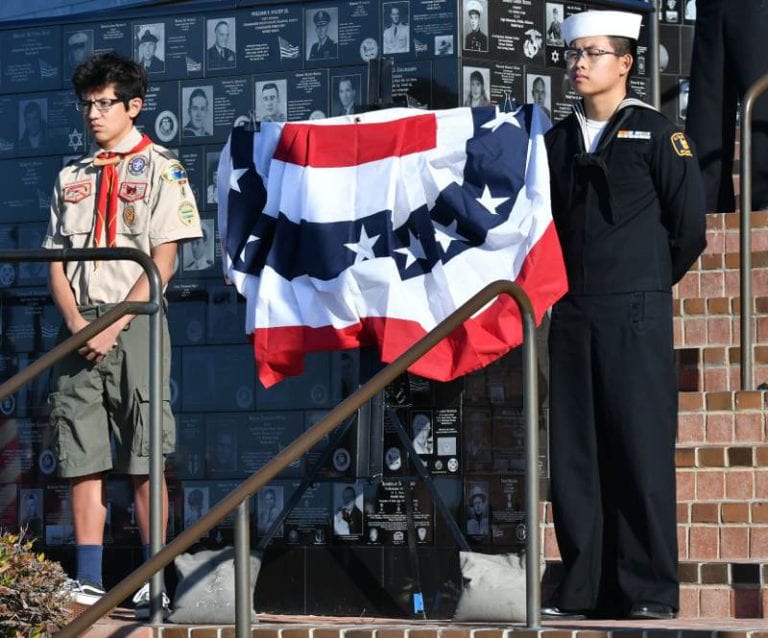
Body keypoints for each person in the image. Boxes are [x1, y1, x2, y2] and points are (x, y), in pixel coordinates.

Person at [543, 11, 706, 621]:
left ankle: (649, 592)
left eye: (593, 53)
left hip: (636, 310)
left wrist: (646, 283)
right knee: (576, 457)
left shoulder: (659, 135)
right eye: (573, 54)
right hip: (573, 313)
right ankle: (584, 589)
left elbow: (689, 229)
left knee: (639, 451)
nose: (579, 64)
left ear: (626, 62)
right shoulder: (556, 143)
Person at [42, 52, 202, 617]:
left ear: (134, 106)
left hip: (134, 321)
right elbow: (55, 259)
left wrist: (114, 325)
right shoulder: (72, 176)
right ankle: (88, 578)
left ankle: (153, 578)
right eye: (87, 104)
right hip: (79, 323)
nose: (93, 114)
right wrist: (76, 323)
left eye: (105, 103)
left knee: (144, 452)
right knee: (80, 450)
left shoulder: (162, 168)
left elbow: (163, 260)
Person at [685, 0, 768, 212]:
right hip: (711, 8)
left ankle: (762, 208)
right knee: (706, 114)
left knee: (760, 107)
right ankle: (706, 207)